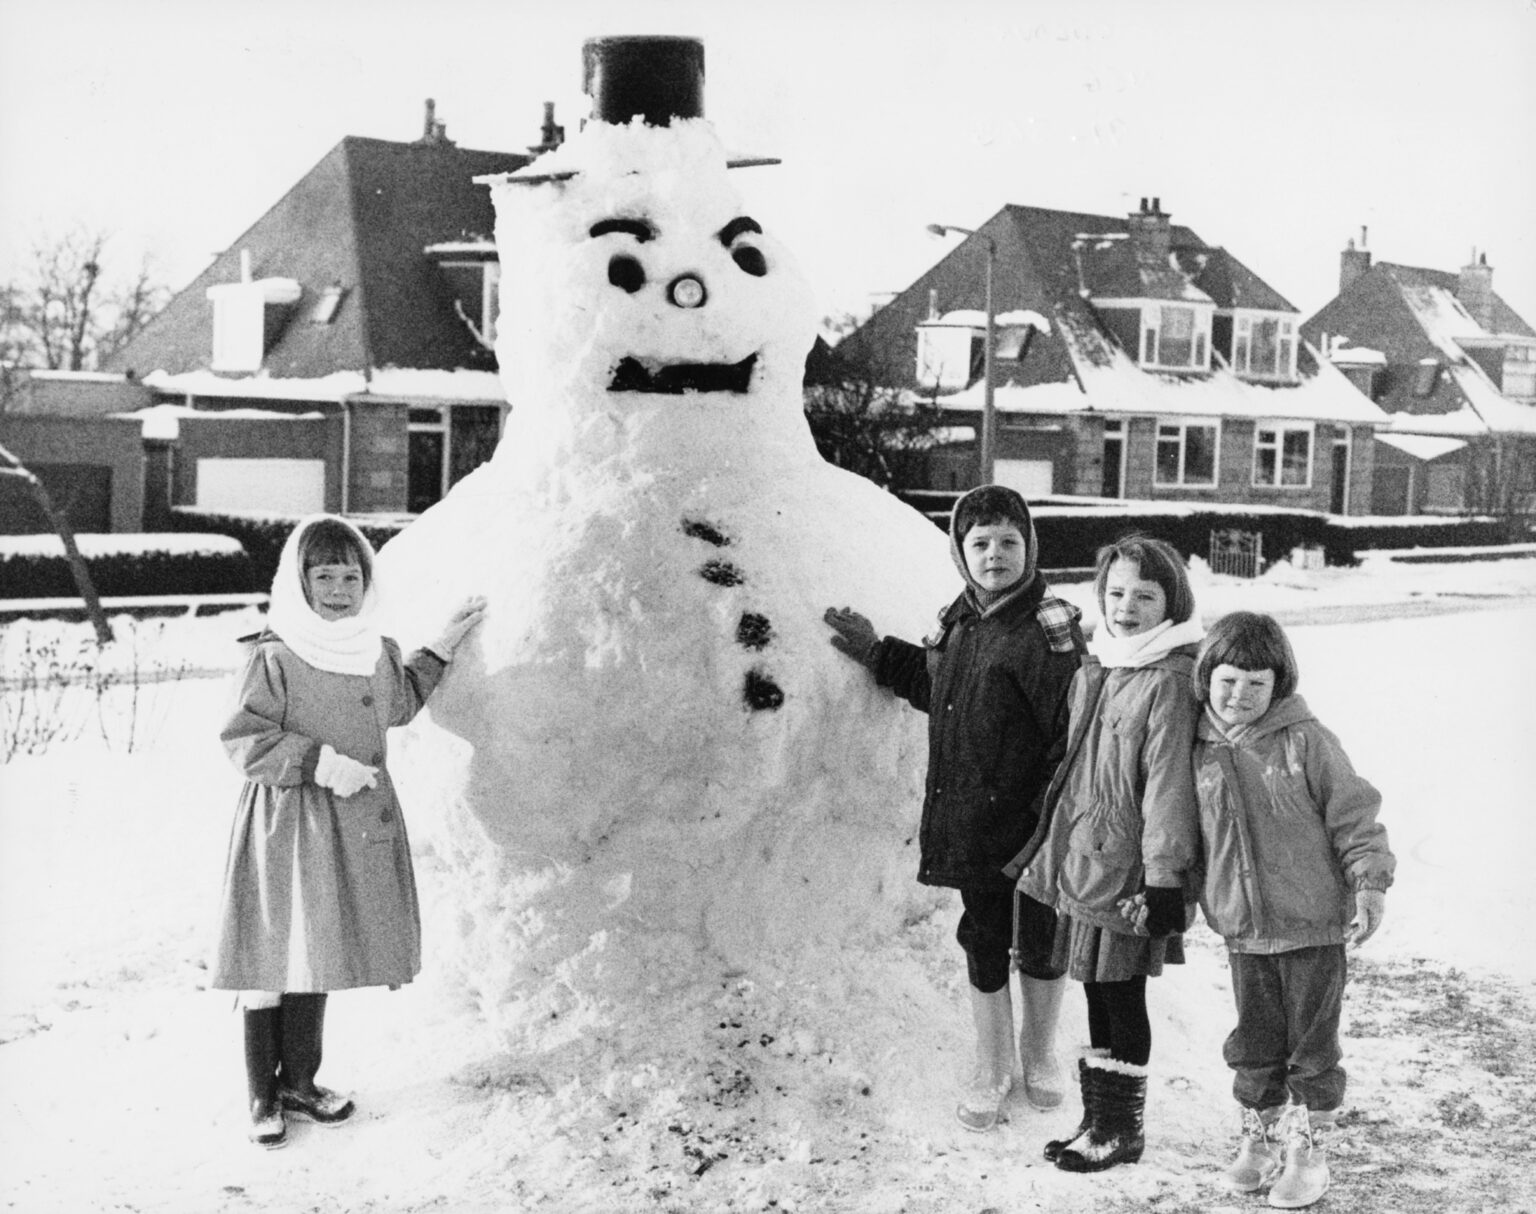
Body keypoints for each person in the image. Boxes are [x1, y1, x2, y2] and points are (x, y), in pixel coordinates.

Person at [210, 514, 485, 1149]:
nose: (338, 590)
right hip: (287, 820)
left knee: (321, 947)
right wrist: (320, 763)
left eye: (350, 577)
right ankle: (262, 1095)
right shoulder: (274, 654)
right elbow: (244, 739)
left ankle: (300, 1083)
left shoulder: (373, 651)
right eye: (324, 577)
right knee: (272, 955)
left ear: (367, 582)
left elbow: (400, 701)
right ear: (298, 581)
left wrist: (441, 648)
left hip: (350, 823)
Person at [824, 484, 1085, 1132]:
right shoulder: (960, 620)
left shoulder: (1046, 629)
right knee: (985, 937)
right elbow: (936, 685)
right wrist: (877, 652)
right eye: (980, 543)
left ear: (1029, 547)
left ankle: (1040, 1054)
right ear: (960, 553)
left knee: (1042, 936)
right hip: (975, 822)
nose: (995, 554)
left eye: (1009, 541)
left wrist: (1048, 821)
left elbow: (1070, 733)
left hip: (1034, 826)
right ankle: (992, 1065)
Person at [1007, 534, 1204, 1173]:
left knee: (1122, 996)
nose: (1125, 607)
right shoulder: (1107, 665)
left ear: (1172, 604)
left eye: (1145, 596)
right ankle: (1099, 1120)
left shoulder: (1168, 682)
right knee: (1095, 989)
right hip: (1088, 863)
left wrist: (1164, 879)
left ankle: (1122, 1130)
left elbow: (1170, 788)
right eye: (1116, 592)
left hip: (1131, 874)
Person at [1190, 611, 1393, 1209]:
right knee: (1254, 1042)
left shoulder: (1307, 741)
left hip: (1313, 928)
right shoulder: (1195, 748)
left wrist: (1369, 884)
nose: (1240, 695)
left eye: (1257, 684)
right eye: (1228, 681)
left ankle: (1309, 1150)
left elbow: (1354, 816)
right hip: (1244, 931)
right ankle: (1258, 1140)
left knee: (1311, 1046)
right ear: (1206, 678)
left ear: (1279, 684)